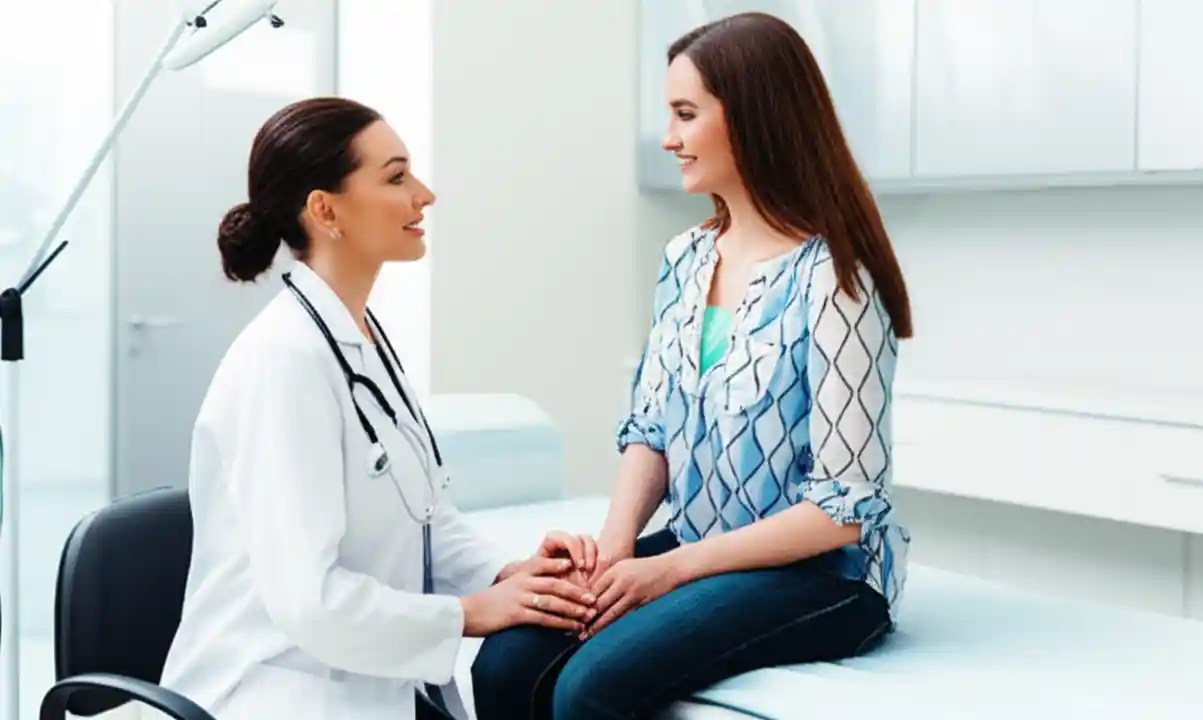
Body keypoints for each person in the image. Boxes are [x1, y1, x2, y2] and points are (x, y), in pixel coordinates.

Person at [471, 12, 915, 719]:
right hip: (697, 542)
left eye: (685, 114)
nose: (669, 137)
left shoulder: (836, 280)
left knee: (590, 688)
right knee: (506, 662)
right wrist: (612, 555)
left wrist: (667, 569)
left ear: (754, 119)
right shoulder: (685, 258)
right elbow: (649, 427)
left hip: (821, 576)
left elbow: (842, 509)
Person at [159, 97, 599, 720]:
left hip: (367, 681)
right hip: (275, 690)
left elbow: (424, 517)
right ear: (325, 209)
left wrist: (509, 576)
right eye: (395, 177)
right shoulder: (283, 362)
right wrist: (470, 614)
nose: (424, 195)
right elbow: (310, 601)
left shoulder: (358, 338)